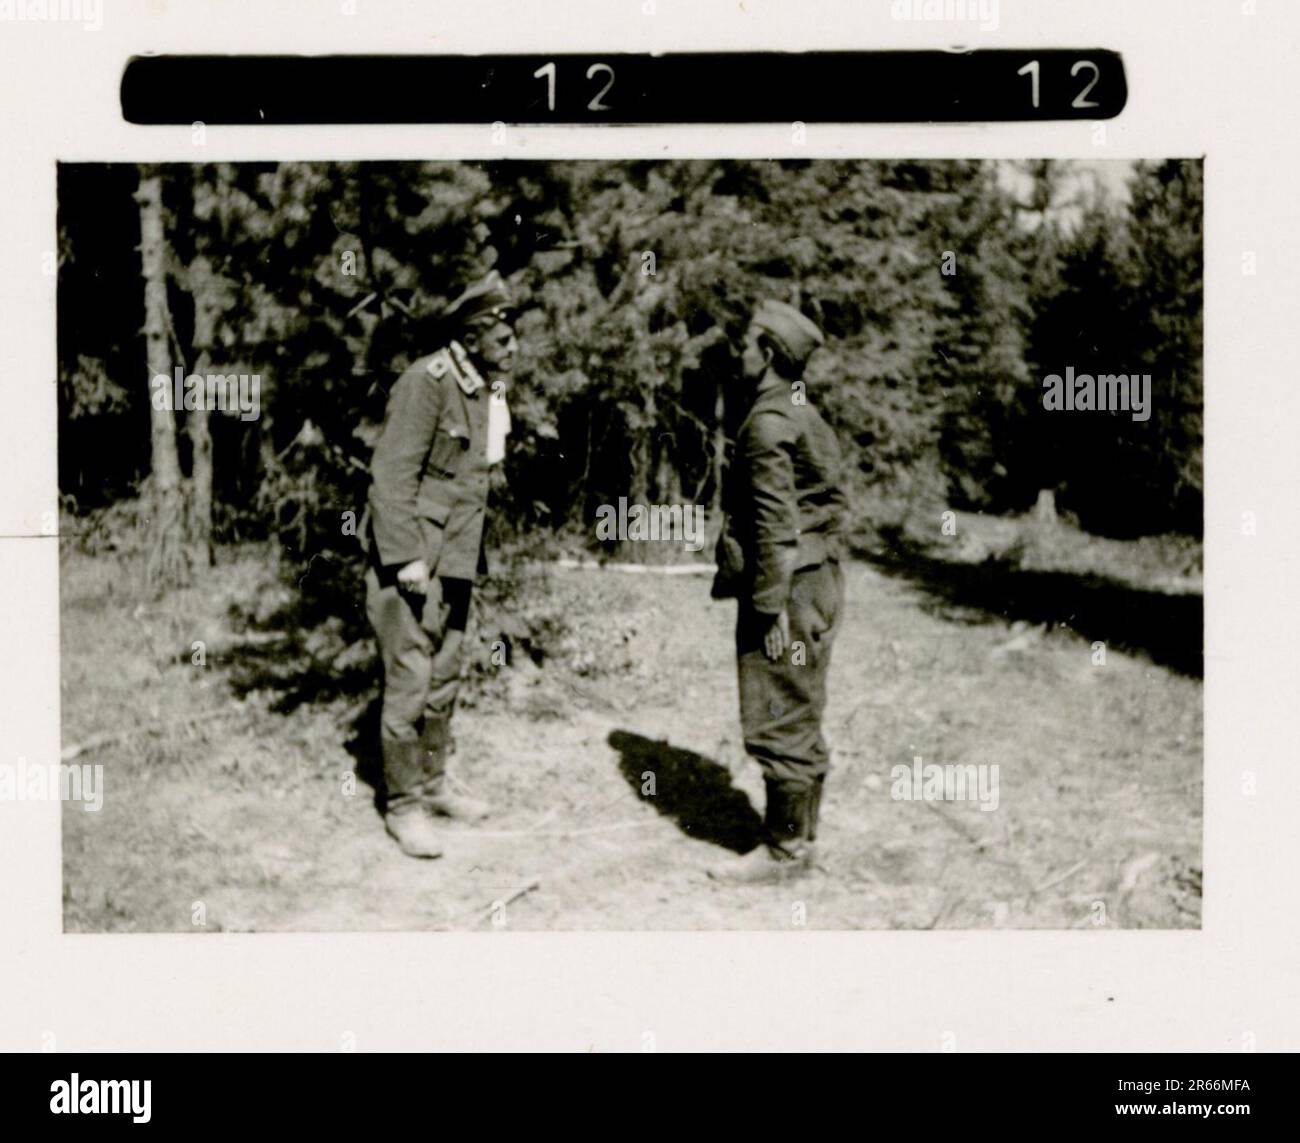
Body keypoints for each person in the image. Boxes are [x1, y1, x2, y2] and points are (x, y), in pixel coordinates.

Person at [364, 270, 517, 858]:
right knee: (410, 683)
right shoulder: (425, 383)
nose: (512, 348)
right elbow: (391, 475)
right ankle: (404, 808)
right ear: (474, 336)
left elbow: (473, 477)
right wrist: (404, 558)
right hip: (413, 563)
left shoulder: (479, 389)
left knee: (445, 680)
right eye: (502, 340)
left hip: (453, 559)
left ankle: (433, 785)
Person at [708, 299, 848, 883]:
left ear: (766, 354)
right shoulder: (801, 412)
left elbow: (775, 530)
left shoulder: (768, 424)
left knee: (777, 709)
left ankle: (785, 853)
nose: (737, 353)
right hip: (817, 582)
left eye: (745, 345)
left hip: (786, 589)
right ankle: (803, 837)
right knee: (801, 701)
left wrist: (768, 611)